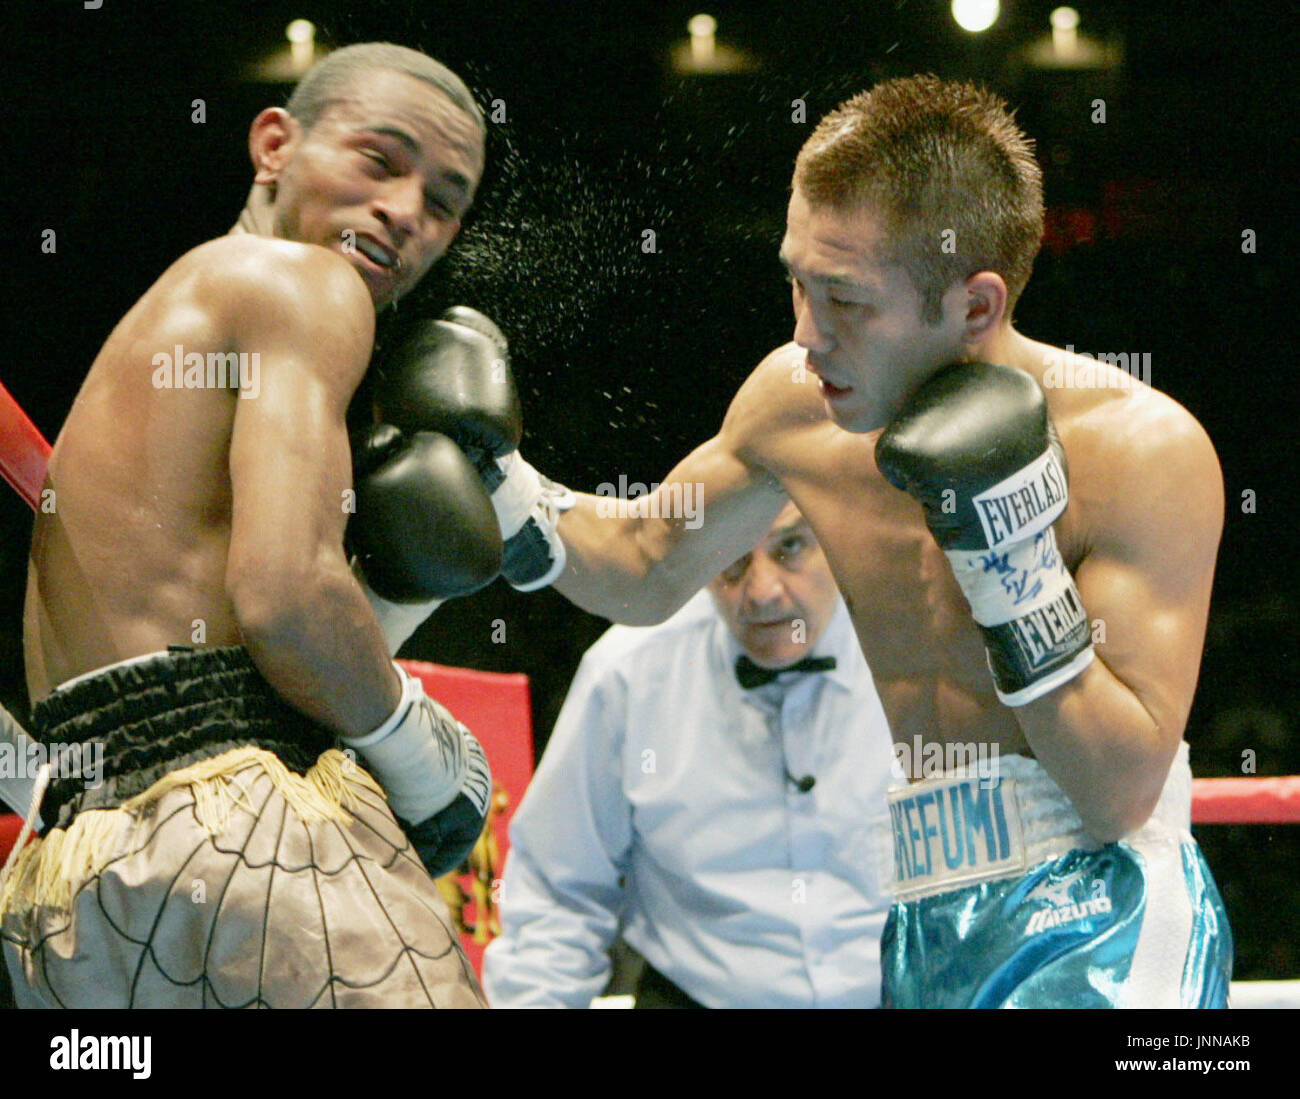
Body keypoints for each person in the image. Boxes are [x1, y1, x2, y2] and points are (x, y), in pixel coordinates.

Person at [519, 75, 1233, 1007]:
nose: (806, 335)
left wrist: (1013, 569)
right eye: (796, 282)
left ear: (975, 306)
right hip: (922, 911)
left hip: (1106, 911)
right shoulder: (794, 403)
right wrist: (500, 492)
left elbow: (1117, 795)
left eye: (846, 300)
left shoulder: (1142, 450)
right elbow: (643, 566)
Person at [0, 42, 529, 1008]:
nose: (407, 210)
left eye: (445, 201)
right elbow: (284, 598)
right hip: (241, 838)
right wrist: (414, 747)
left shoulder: (185, 314)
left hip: (73, 889)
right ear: (274, 144)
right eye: (380, 159)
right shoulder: (304, 287)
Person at [483, 504, 896, 1008]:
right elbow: (558, 893)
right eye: (731, 560)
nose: (763, 591)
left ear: (836, 537)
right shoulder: (630, 672)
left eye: (790, 547)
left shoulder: (919, 649)